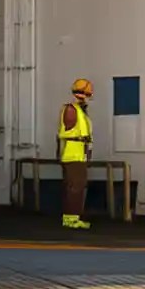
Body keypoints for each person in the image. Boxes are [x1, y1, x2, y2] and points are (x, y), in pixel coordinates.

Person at [58, 78, 94, 230]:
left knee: (77, 186)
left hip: (79, 154)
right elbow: (71, 131)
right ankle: (71, 218)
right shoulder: (72, 109)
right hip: (74, 154)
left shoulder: (79, 111)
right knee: (75, 186)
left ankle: (72, 217)